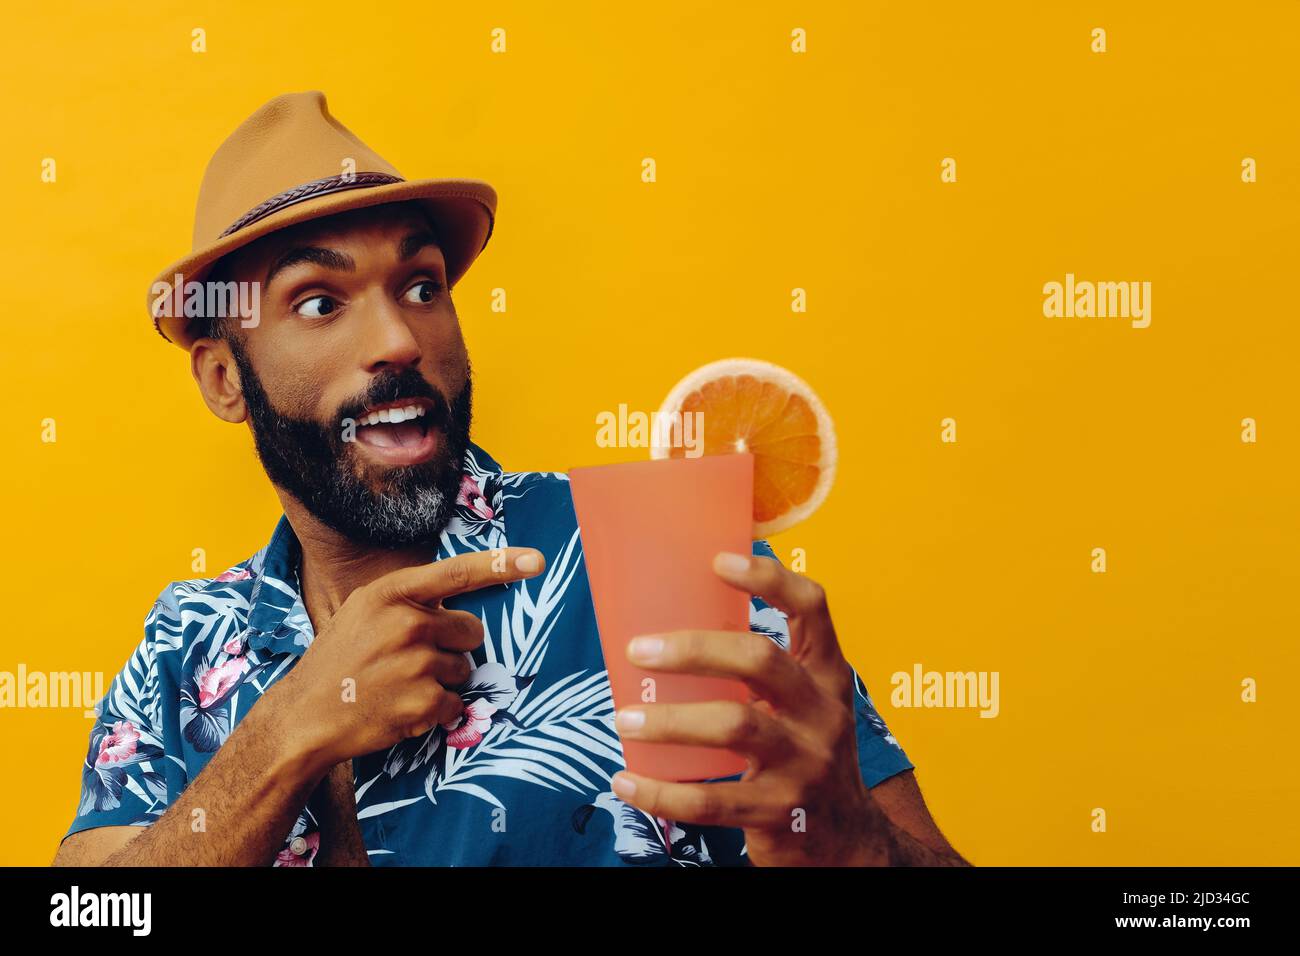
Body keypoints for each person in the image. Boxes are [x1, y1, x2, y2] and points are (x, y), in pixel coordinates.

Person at [52, 91, 967, 867]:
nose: (401, 340)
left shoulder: (659, 557)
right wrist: (291, 728)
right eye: (321, 303)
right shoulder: (185, 647)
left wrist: (848, 837)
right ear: (223, 378)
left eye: (422, 285)